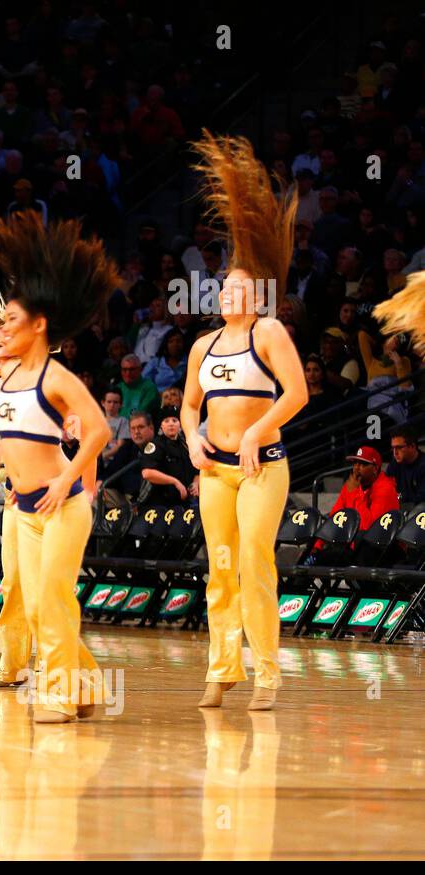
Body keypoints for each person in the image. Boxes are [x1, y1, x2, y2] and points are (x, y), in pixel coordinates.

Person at [182, 134, 308, 713]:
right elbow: (188, 406)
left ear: (256, 295)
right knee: (220, 571)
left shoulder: (269, 334)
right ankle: (222, 670)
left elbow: (298, 393)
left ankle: (269, 675)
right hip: (215, 472)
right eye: (223, 285)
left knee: (255, 567)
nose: (227, 291)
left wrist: (259, 431)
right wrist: (191, 437)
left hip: (263, 467)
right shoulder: (202, 345)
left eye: (237, 286)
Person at [0, 211, 119, 723]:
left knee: (53, 601)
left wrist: (69, 478)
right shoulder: (2, 385)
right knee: (36, 607)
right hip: (22, 506)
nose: (5, 331)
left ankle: (60, 696)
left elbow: (100, 429)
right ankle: (87, 686)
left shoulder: (57, 377)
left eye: (15, 323)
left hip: (61, 504)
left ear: (39, 327)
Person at [0, 315, 30, 687]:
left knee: (44, 583)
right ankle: (12, 663)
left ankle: (54, 659)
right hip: (15, 495)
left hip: (49, 493)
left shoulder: (39, 381)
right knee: (12, 580)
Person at [329, 445, 399, 529]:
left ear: (375, 469)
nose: (356, 468)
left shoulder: (385, 490)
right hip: (351, 538)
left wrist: (355, 494)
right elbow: (333, 517)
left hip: (374, 539)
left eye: (362, 464)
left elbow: (369, 528)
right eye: (355, 463)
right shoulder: (352, 485)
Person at [139, 408, 198, 505]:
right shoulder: (156, 445)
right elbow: (147, 473)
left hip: (185, 502)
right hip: (160, 504)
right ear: (161, 426)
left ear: (180, 425)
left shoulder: (186, 445)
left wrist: (196, 483)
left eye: (174, 420)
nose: (171, 424)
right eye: (166, 421)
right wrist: (175, 482)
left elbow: (197, 469)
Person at [386, 426, 425, 506]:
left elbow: (421, 500)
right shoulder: (394, 465)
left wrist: (399, 498)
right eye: (393, 448)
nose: (395, 452)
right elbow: (386, 491)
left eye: (399, 448)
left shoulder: (422, 466)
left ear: (412, 446)